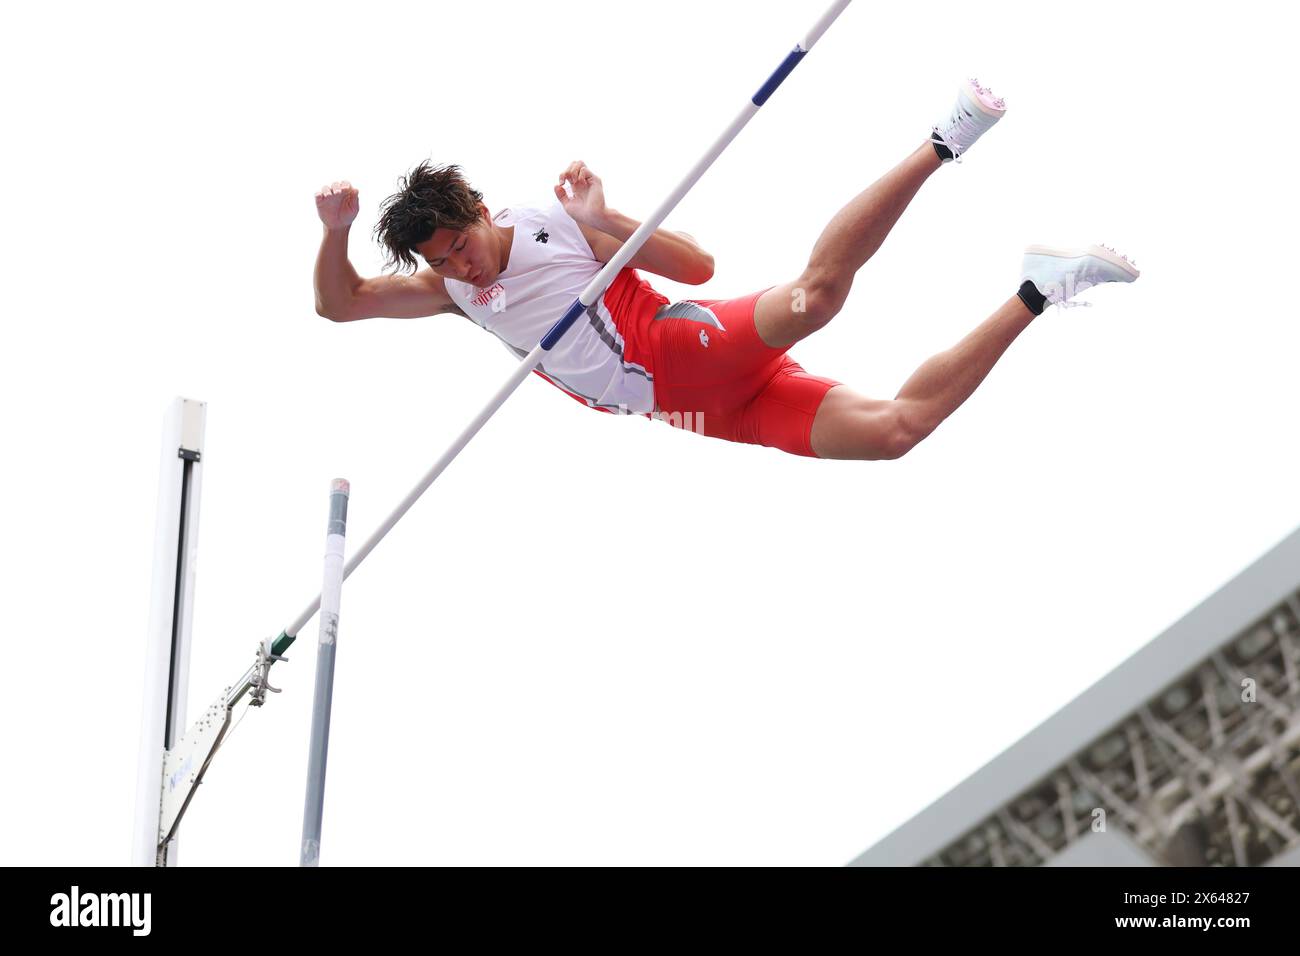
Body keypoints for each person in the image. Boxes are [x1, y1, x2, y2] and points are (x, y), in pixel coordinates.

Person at [313, 79, 1139, 460]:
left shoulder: (557, 225)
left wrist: (604, 221)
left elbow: (699, 268)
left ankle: (944, 140)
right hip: (694, 411)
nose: (459, 264)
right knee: (895, 433)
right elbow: (340, 306)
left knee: (814, 299)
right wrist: (336, 232)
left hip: (677, 348)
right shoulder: (450, 292)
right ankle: (1040, 286)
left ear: (476, 210)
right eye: (442, 260)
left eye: (458, 243)